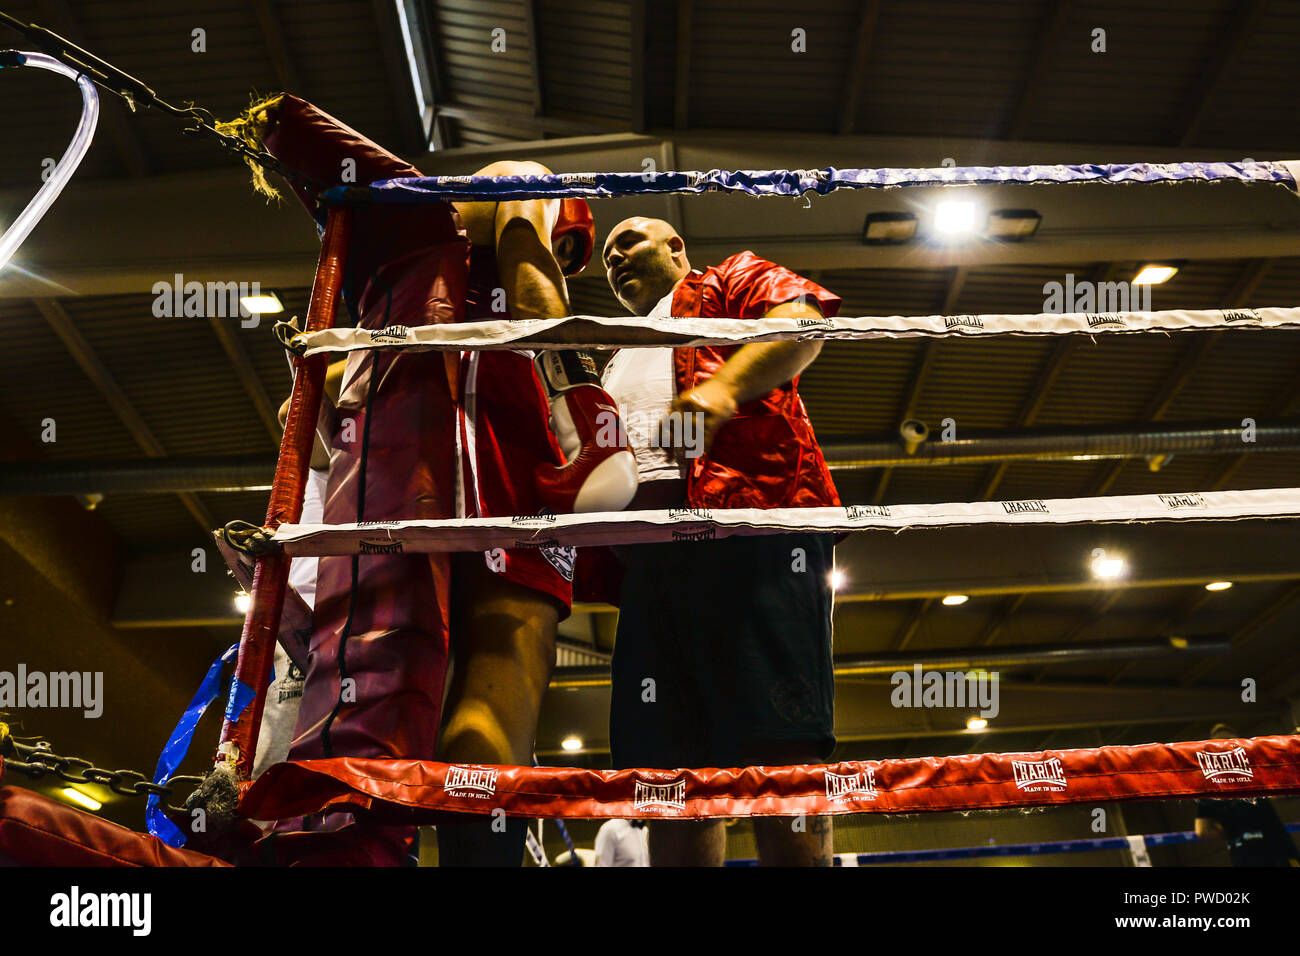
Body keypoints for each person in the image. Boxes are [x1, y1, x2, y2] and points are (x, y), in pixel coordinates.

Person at [222, 94, 634, 866]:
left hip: (396, 460)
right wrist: (588, 415)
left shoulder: (394, 278)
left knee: (391, 695)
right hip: (503, 431)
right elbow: (534, 277)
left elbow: (303, 427)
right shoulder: (517, 181)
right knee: (501, 676)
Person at [584, 216, 841, 866]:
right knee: (670, 774)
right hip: (647, 566)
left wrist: (722, 387)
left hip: (748, 536)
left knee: (779, 749)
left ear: (676, 248)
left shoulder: (726, 282)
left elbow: (803, 318)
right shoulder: (611, 356)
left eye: (629, 243)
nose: (613, 259)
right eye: (606, 255)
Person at [1194, 724, 1300, 866]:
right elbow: (1278, 795)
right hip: (1274, 847)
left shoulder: (1210, 785)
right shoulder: (1253, 771)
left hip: (1246, 852)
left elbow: (1202, 831)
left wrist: (1235, 833)